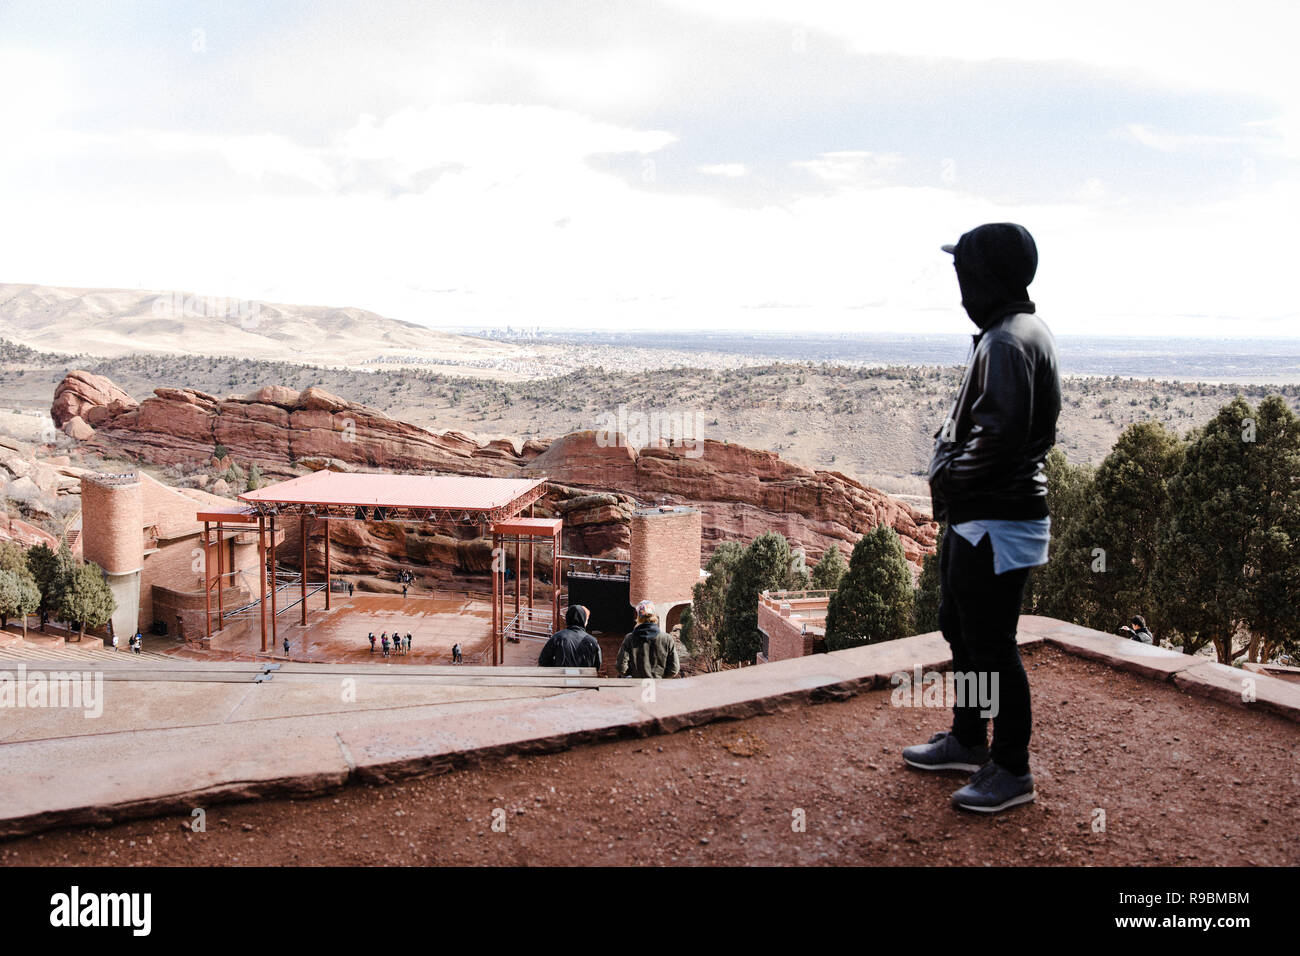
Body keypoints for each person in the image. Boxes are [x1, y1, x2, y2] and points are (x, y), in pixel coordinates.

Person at [905, 223, 1060, 815]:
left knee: (992, 642)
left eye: (964, 273)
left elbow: (998, 439)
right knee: (961, 628)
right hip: (983, 521)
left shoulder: (1006, 341)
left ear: (985, 277)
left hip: (996, 522)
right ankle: (969, 739)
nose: (960, 286)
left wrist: (948, 480)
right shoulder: (1010, 332)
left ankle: (1012, 768)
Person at [616, 601, 679, 679]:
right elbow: (674, 669)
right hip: (658, 686)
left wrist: (632, 675)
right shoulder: (666, 639)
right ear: (654, 616)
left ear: (638, 617)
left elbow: (621, 667)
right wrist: (660, 678)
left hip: (636, 685)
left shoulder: (629, 638)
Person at [539, 605, 602, 670]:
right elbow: (597, 665)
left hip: (562, 678)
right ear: (584, 620)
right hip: (584, 678)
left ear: (567, 618)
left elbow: (543, 661)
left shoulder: (557, 637)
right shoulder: (592, 641)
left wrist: (556, 668)